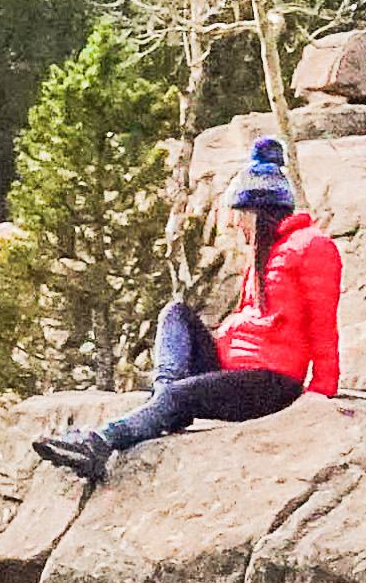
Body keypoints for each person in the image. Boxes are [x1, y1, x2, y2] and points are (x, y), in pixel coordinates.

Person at [33, 135, 343, 485]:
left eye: (240, 215)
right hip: (233, 370)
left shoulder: (312, 247)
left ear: (260, 211)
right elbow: (245, 319)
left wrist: (322, 393)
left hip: (271, 381)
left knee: (181, 395)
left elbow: (323, 323)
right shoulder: (264, 252)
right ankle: (164, 399)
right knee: (176, 312)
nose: (235, 224)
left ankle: (101, 443)